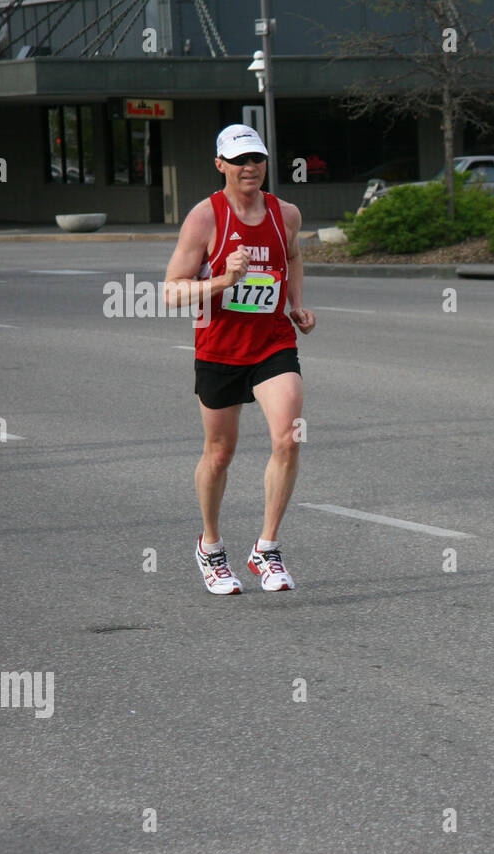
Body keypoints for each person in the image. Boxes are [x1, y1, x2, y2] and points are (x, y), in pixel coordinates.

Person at [163, 124, 316, 594]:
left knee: (288, 439)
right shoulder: (204, 218)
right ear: (220, 165)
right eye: (239, 159)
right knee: (220, 453)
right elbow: (171, 292)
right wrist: (222, 283)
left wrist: (295, 304)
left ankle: (266, 549)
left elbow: (291, 258)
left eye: (257, 158)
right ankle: (210, 548)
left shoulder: (284, 213)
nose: (249, 167)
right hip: (220, 347)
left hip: (272, 341)